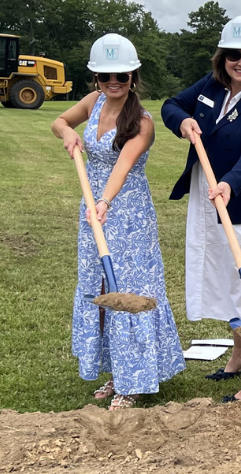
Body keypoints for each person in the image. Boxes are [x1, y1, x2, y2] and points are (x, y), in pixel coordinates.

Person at [51, 33, 185, 410]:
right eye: (105, 75)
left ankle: (136, 380)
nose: (113, 82)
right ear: (95, 78)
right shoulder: (93, 103)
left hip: (127, 214)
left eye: (121, 76)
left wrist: (104, 202)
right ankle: (118, 372)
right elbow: (59, 121)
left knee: (129, 289)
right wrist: (67, 134)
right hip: (91, 208)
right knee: (101, 286)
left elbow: (123, 167)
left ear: (133, 77)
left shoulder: (142, 122)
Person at [161, 15, 241, 401]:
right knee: (227, 276)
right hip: (209, 196)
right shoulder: (211, 87)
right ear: (222, 57)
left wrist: (230, 183)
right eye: (233, 55)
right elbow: (170, 105)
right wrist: (182, 121)